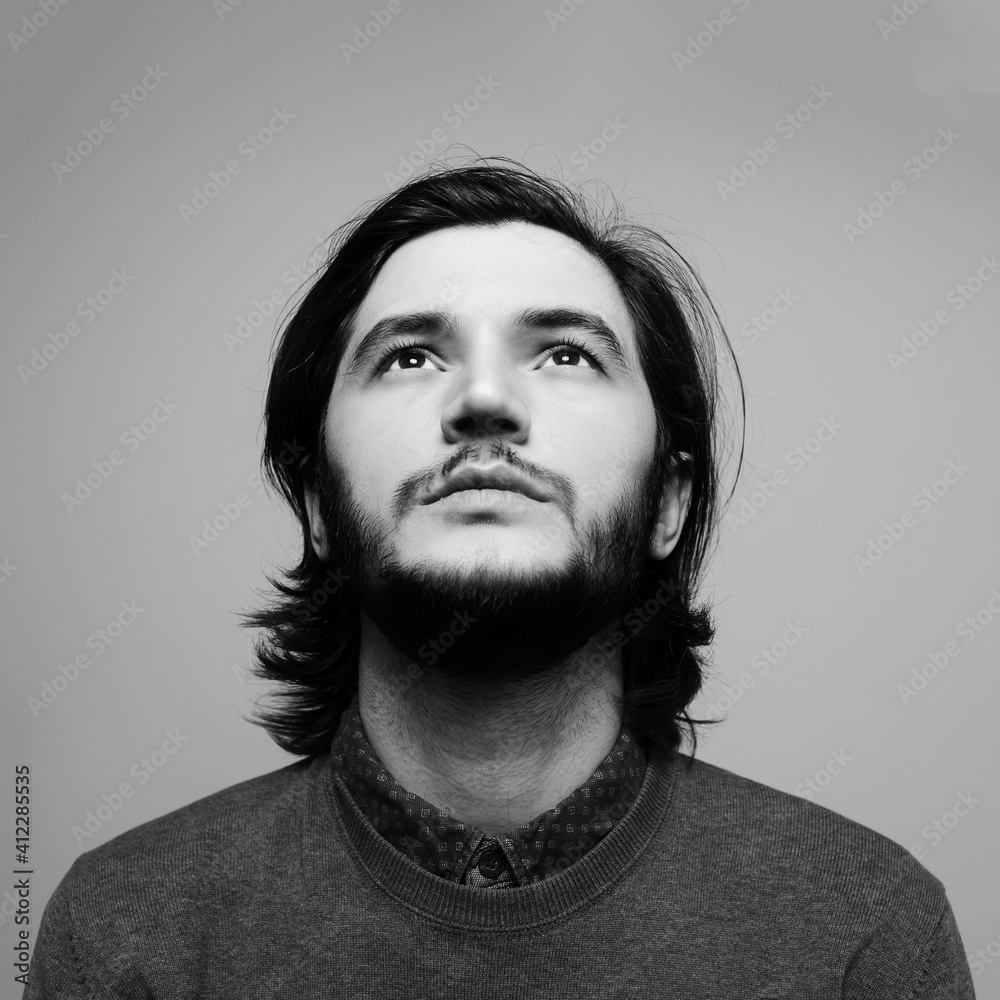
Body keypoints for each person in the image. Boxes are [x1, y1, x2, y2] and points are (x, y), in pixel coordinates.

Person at [26, 158, 975, 998]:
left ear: (666, 504)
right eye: (410, 357)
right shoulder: (121, 940)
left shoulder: (867, 933)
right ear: (316, 500)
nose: (483, 402)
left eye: (565, 353)